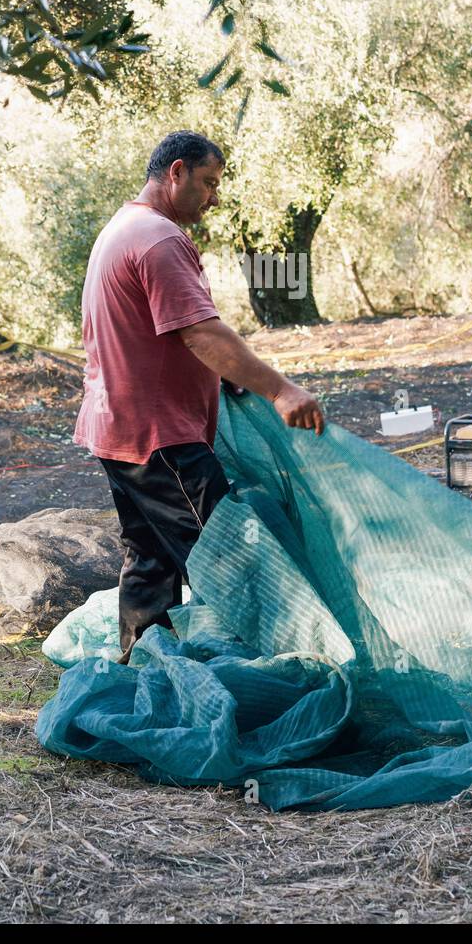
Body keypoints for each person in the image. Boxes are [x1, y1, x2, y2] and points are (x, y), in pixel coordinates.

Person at [74, 130, 325, 662]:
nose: (214, 198)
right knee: (228, 558)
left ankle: (146, 674)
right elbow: (201, 333)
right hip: (160, 437)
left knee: (150, 563)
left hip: (119, 430)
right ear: (177, 172)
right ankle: (276, 676)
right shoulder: (160, 239)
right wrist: (279, 390)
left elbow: (162, 333)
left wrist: (223, 374)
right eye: (209, 183)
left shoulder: (124, 228)